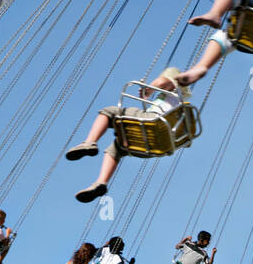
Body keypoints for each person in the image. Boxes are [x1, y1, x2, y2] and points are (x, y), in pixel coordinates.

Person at [65, 66, 192, 202]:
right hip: (161, 145)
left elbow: (161, 82)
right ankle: (100, 183)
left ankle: (89, 142)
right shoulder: (180, 106)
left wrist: (148, 89)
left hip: (153, 121)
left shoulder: (171, 91)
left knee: (109, 112)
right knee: (116, 148)